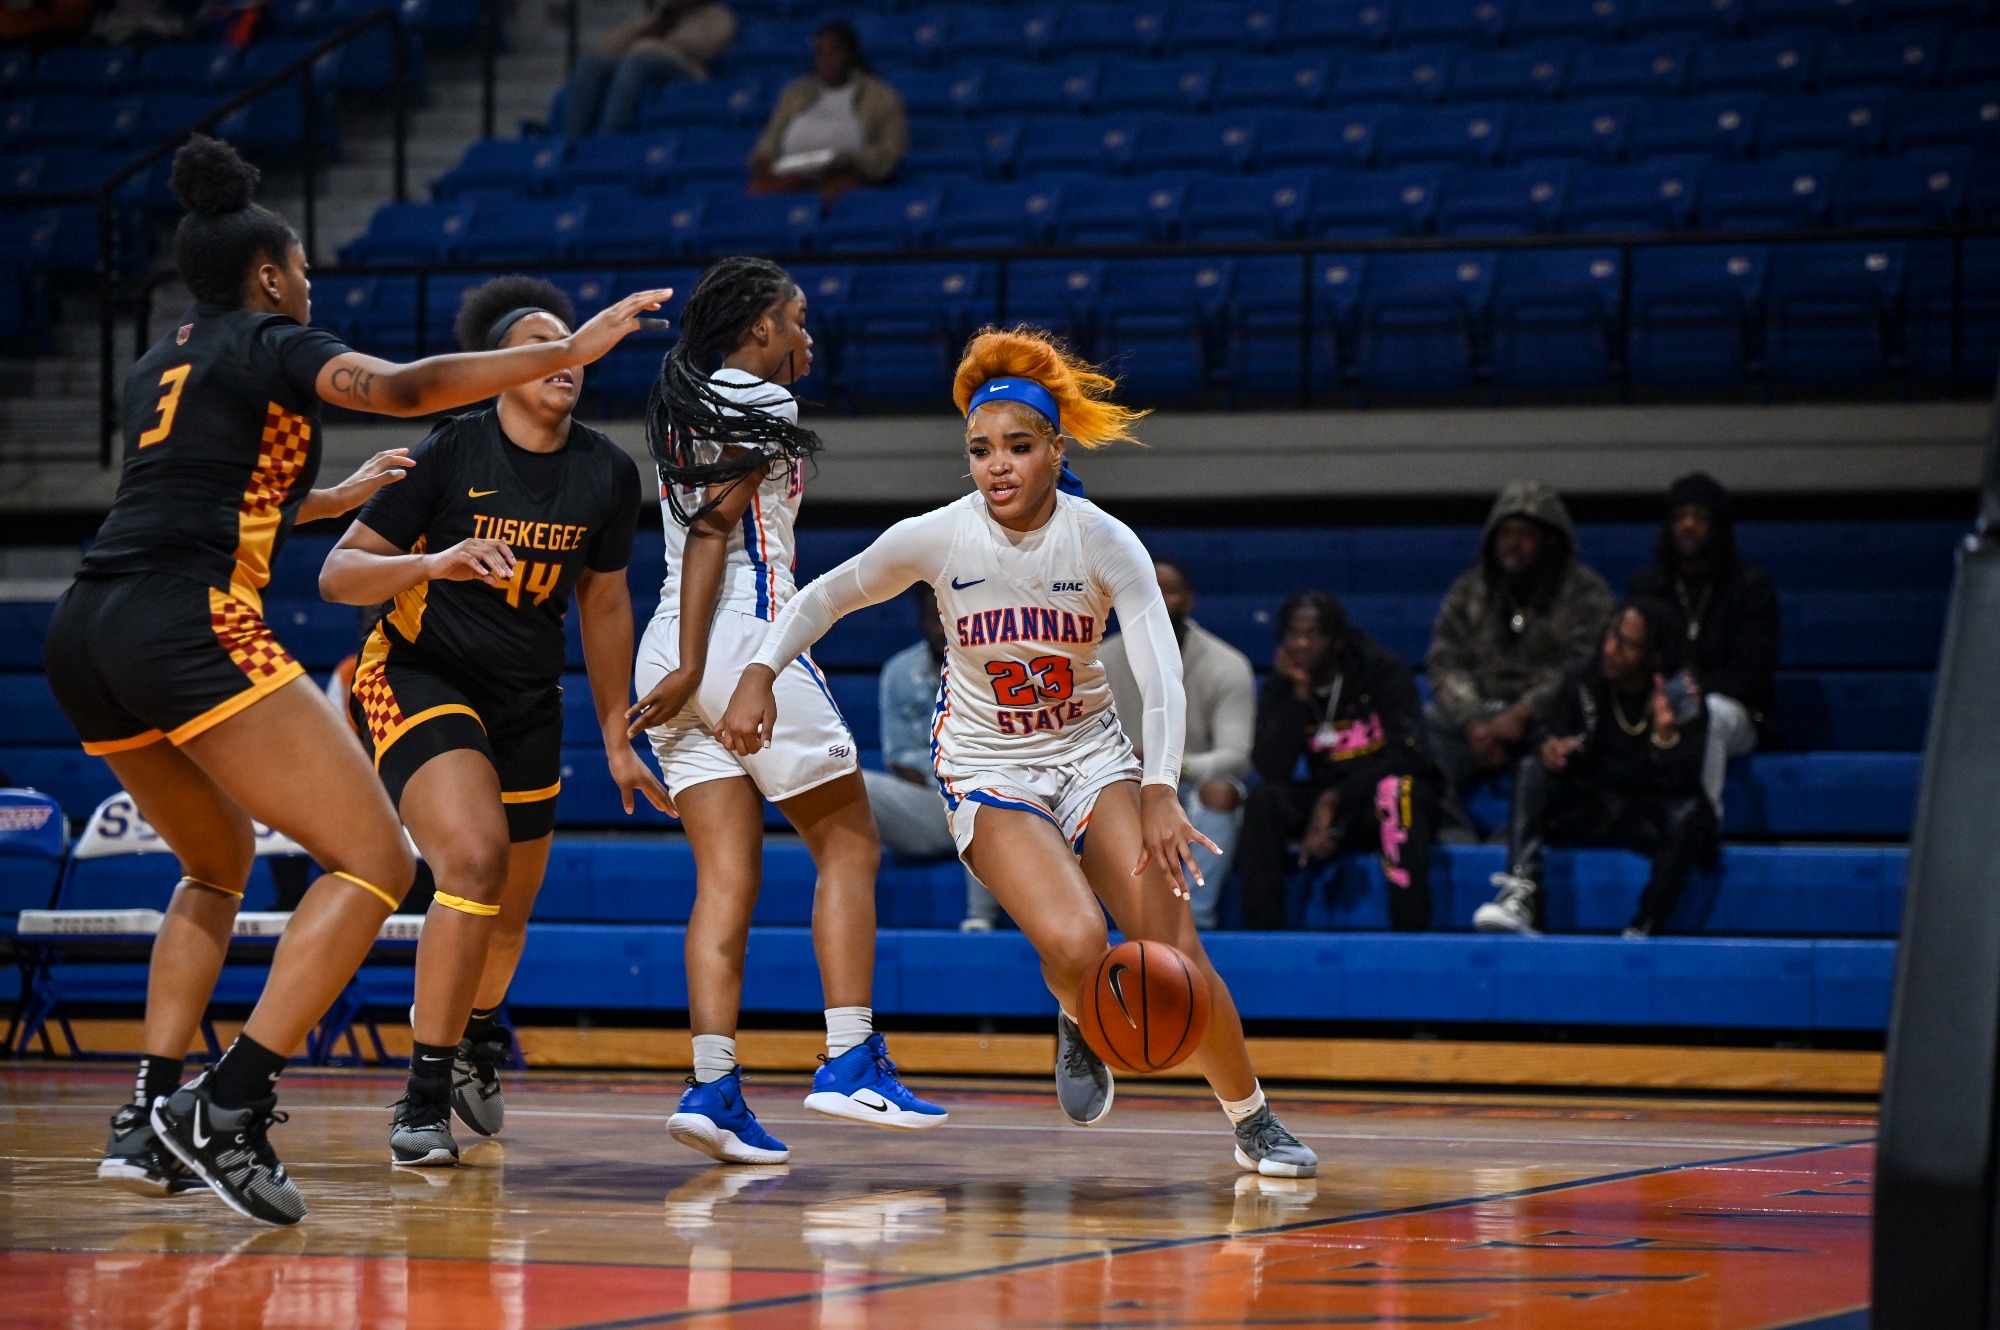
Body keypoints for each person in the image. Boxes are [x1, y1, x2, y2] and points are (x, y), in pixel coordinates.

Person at [50, 136, 667, 1225]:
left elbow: (206, 492)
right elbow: (405, 385)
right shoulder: (276, 340)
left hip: (85, 628)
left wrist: (332, 498)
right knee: (378, 860)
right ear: (272, 275)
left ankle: (143, 1114)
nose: (310, 287)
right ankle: (228, 1105)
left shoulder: (165, 357)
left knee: (215, 862)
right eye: (303, 273)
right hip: (184, 619)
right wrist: (560, 347)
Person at [718, 327, 1319, 1178]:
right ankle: (1076, 1013)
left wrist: (1157, 788)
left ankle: (1252, 1118)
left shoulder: (1103, 540)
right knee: (1076, 941)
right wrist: (756, 674)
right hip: (985, 764)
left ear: (1054, 450)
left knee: (1177, 952)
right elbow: (821, 599)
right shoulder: (938, 536)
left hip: (1090, 755)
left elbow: (1162, 672)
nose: (997, 465)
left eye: (1018, 447)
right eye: (980, 450)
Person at [319, 275, 670, 1168]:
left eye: (572, 346)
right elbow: (338, 575)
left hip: (526, 699)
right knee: (469, 861)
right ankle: (423, 1095)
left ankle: (473, 1031)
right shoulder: (449, 453)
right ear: (502, 368)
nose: (566, 360)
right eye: (543, 345)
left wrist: (617, 735)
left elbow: (603, 608)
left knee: (507, 915)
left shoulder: (604, 471)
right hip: (418, 672)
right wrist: (435, 562)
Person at [624, 256, 945, 1166]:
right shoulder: (761, 401)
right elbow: (720, 530)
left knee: (725, 882)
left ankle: (713, 1085)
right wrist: (701, 666)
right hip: (737, 636)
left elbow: (692, 533)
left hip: (672, 633)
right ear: (760, 327)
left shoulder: (685, 396)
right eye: (797, 320)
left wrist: (679, 663)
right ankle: (849, 1058)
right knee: (849, 844)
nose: (808, 337)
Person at [1473, 598, 1718, 939]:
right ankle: (1521, 893)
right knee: (1531, 769)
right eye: (1611, 635)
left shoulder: (1680, 695)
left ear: (1653, 656)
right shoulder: (1585, 677)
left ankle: (1644, 928)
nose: (1611, 649)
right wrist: (1552, 751)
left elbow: (1684, 781)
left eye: (1627, 644)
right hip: (1593, 802)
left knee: (1689, 816)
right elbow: (1550, 731)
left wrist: (1663, 736)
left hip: (1645, 809)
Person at [1237, 592, 1441, 932]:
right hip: (1327, 800)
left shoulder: (1382, 671)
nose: (1301, 644)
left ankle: (1411, 931)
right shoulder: (1283, 686)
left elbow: (1411, 754)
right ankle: (1263, 931)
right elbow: (1272, 767)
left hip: (1377, 796)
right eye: (1292, 634)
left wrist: (1336, 797)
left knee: (1397, 791)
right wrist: (1298, 696)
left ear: (1336, 640)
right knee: (1264, 800)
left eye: (1312, 634)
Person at [1425, 481, 1614, 835]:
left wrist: (1523, 712)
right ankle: (1453, 834)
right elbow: (1445, 661)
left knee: (1575, 740)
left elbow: (1583, 665)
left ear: (1549, 540)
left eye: (1525, 533)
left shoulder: (1586, 593)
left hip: (1547, 716)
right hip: (1479, 713)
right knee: (1416, 733)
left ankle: (1514, 840)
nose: (1513, 544)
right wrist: (1472, 722)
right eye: (1505, 533)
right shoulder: (1470, 589)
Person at [1100, 558, 1255, 931]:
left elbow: (1236, 757)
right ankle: (1114, 920)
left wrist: (1168, 765)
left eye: (1167, 591)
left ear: (1189, 600)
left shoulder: (1226, 663)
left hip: (1190, 785)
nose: (1153, 598)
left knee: (1222, 793)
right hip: (1123, 782)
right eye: (1142, 589)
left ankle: (1195, 920)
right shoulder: (1099, 659)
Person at [1626, 472, 1780, 817]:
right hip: (1658, 702)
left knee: (1707, 715)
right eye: (1680, 517)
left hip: (1737, 712)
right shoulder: (1649, 586)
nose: (1688, 525)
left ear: (1719, 525)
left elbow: (1753, 675)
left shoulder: (1750, 586)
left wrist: (1682, 694)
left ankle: (1697, 831)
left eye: (1700, 516)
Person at [861, 584, 998, 932]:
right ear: (922, 621)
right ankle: (854, 900)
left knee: (985, 790)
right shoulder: (900, 671)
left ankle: (981, 919)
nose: (942, 627)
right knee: (850, 779)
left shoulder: (1003, 666)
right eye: (933, 618)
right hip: (931, 804)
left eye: (949, 617)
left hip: (998, 804)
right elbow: (901, 761)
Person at [747, 20, 908, 205]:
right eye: (820, 53)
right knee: (757, 192)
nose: (826, 61)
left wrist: (855, 161)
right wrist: (763, 160)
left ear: (850, 54)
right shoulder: (796, 93)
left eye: (833, 53)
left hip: (848, 176)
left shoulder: (881, 97)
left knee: (834, 197)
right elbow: (771, 138)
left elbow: (893, 150)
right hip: (796, 174)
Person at [561, 0, 737, 139]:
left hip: (687, 69)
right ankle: (572, 141)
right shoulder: (660, 17)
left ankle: (609, 136)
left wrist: (652, 42)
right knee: (589, 66)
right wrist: (642, 31)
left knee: (636, 62)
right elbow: (604, 49)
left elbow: (702, 47)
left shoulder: (718, 15)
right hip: (643, 58)